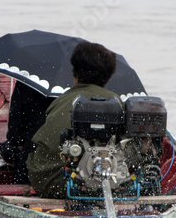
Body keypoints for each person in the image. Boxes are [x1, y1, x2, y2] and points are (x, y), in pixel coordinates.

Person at [26, 41, 121, 199]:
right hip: (104, 182)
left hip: (50, 184)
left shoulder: (60, 101)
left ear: (75, 75)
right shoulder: (117, 103)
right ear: (108, 77)